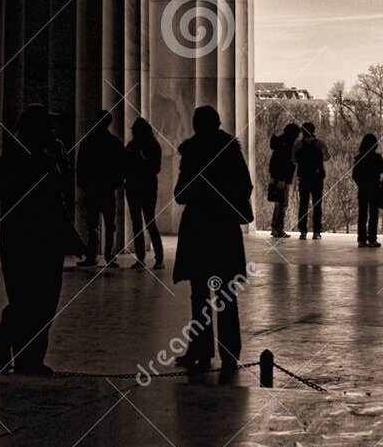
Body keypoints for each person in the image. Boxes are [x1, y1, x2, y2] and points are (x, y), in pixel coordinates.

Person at [0, 106, 74, 375]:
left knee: (35, 301)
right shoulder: (22, 162)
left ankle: (20, 355)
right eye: (48, 127)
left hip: (27, 240)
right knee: (33, 301)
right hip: (30, 240)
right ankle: (11, 351)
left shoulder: (31, 160)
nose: (53, 131)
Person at [173, 105, 253, 374]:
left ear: (196, 126)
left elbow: (180, 194)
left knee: (200, 295)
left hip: (198, 229)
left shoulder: (191, 152)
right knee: (226, 294)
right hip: (224, 229)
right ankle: (229, 354)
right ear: (218, 124)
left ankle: (201, 349)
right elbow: (245, 185)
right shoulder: (230, 151)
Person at [75, 110, 126, 268]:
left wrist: (83, 184)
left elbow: (80, 166)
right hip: (107, 190)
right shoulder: (115, 142)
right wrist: (116, 183)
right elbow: (121, 167)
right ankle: (109, 256)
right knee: (110, 225)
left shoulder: (88, 142)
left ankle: (92, 256)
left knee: (92, 225)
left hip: (92, 189)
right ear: (109, 123)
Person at [124, 117, 164, 269]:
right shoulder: (146, 145)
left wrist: (141, 160)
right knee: (143, 222)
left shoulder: (148, 146)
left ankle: (154, 258)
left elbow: (156, 168)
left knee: (146, 222)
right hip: (143, 187)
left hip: (142, 187)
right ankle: (147, 258)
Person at [294, 121, 328, 240]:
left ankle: (303, 231)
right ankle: (316, 232)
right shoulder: (320, 144)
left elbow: (294, 159)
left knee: (303, 205)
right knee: (317, 205)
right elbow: (326, 157)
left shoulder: (298, 144)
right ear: (313, 130)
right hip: (317, 178)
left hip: (304, 177)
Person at [352, 132, 383, 247]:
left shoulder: (359, 158)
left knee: (362, 215)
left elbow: (355, 175)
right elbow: (382, 169)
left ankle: (361, 239)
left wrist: (361, 184)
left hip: (363, 190)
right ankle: (372, 239)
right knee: (373, 215)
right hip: (375, 189)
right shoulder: (377, 158)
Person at [267, 121, 299, 240]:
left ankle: (275, 228)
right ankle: (278, 229)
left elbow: (274, 163)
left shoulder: (280, 143)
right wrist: (281, 179)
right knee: (282, 204)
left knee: (279, 204)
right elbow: (282, 163)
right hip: (282, 179)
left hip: (278, 178)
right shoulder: (287, 145)